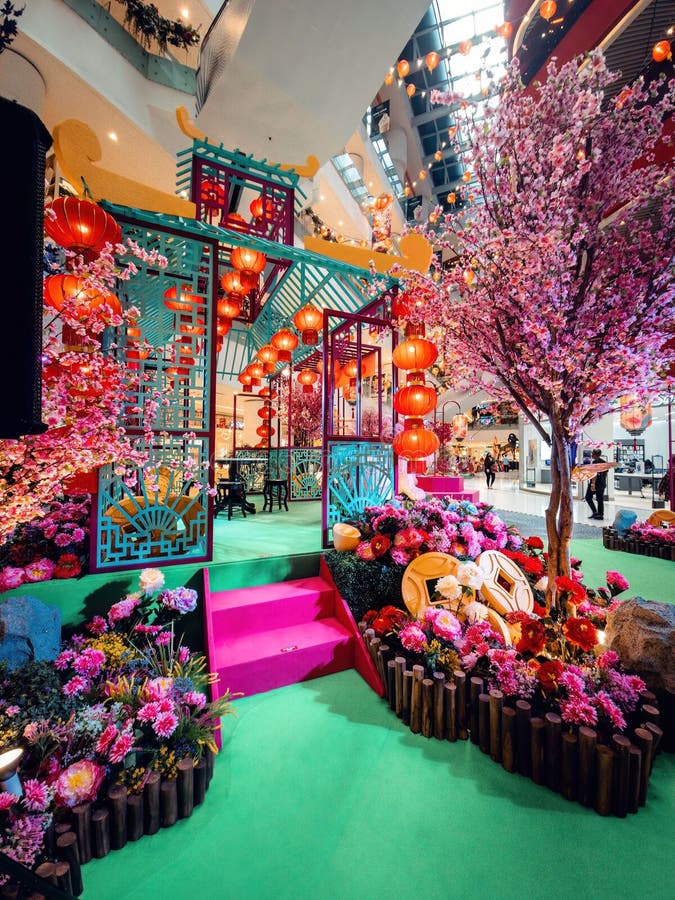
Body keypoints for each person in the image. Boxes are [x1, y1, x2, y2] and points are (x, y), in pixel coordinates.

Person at [586, 448, 607, 520]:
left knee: (588, 497)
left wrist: (593, 484)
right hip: (602, 483)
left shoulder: (595, 462)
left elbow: (594, 474)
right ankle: (600, 514)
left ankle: (595, 512)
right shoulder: (604, 462)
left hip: (595, 483)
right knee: (600, 499)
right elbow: (605, 474)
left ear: (595, 455)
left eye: (592, 453)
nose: (591, 455)